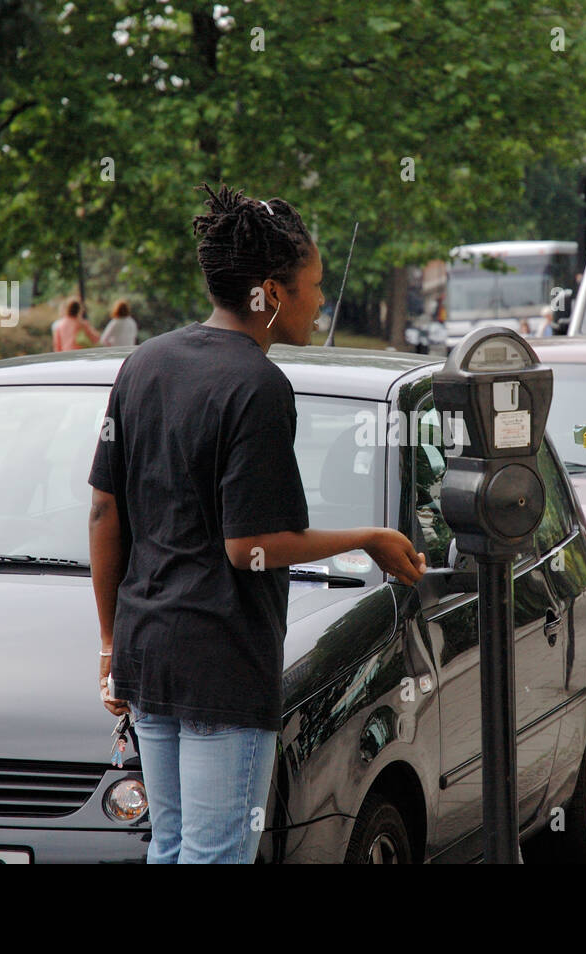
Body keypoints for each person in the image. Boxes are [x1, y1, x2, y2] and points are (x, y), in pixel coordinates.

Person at [86, 184, 426, 864]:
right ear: (270, 292)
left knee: (174, 847)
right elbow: (251, 550)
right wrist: (370, 537)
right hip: (221, 660)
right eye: (313, 287)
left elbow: (102, 511)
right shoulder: (258, 387)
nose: (320, 302)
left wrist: (109, 642)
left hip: (148, 650)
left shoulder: (143, 364)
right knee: (214, 855)